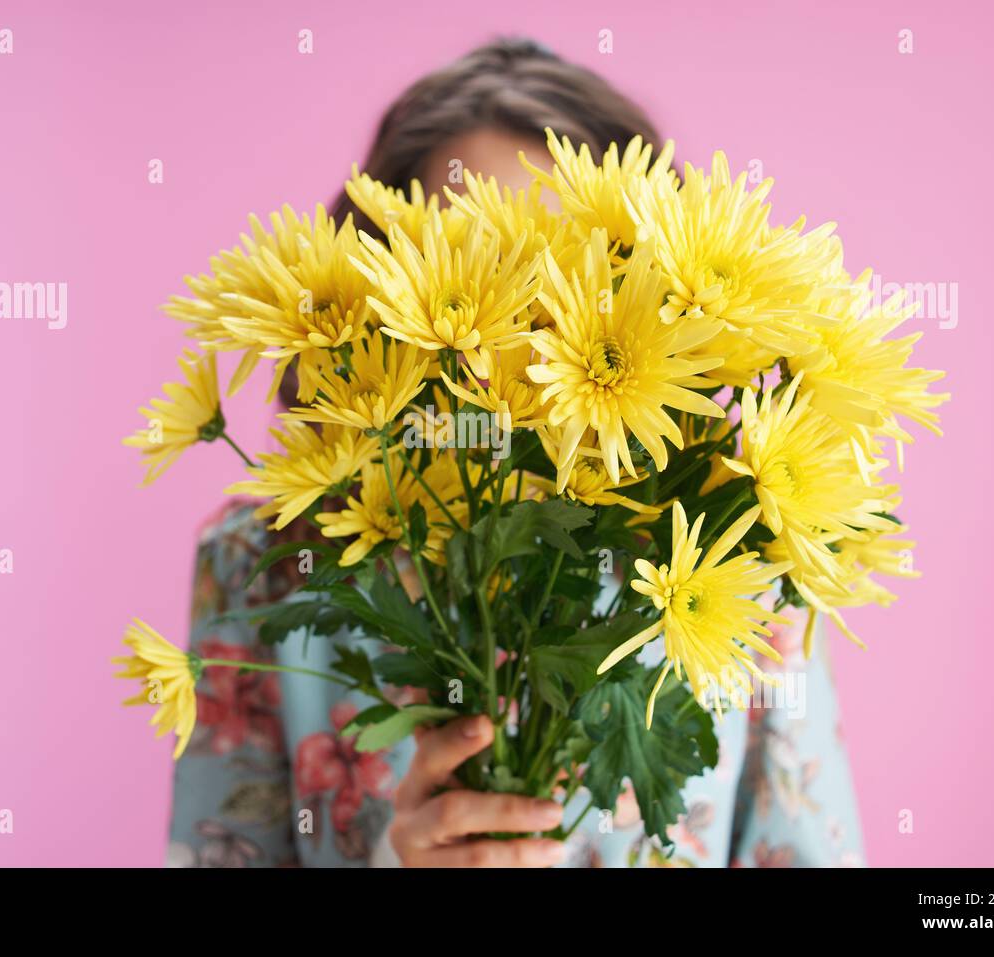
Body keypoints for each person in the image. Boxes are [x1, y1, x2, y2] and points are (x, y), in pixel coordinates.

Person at [166, 38, 865, 869]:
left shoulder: (742, 561)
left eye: (563, 270)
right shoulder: (264, 561)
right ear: (377, 287)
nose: (526, 332)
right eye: (473, 265)